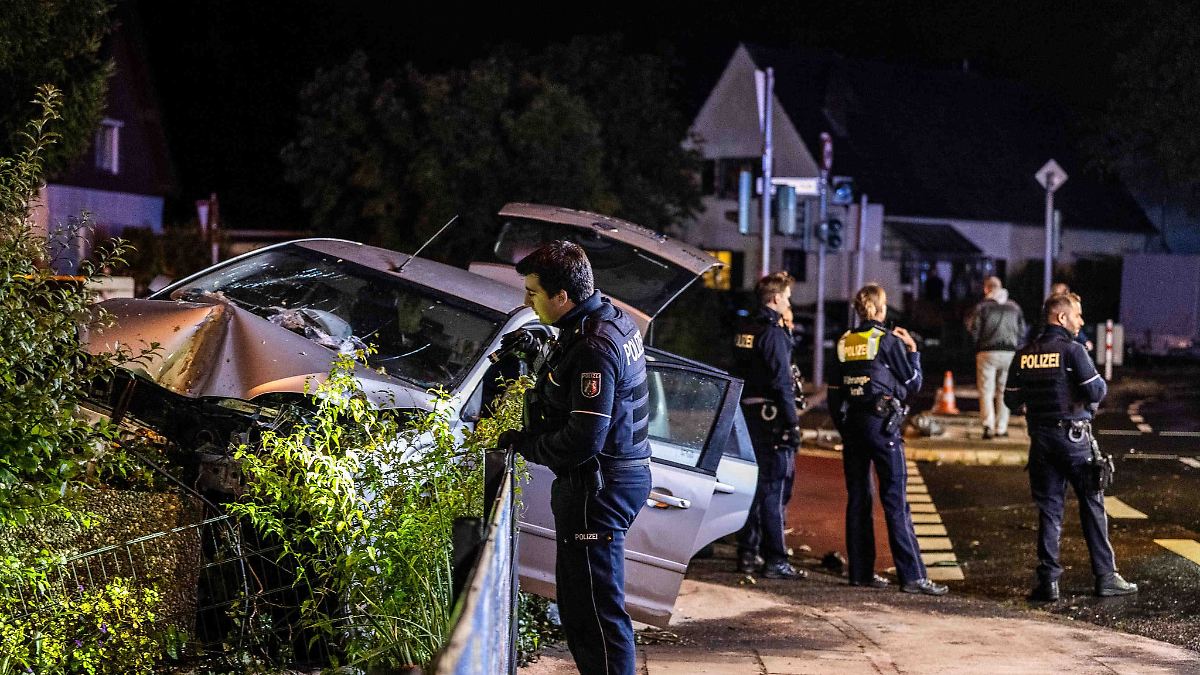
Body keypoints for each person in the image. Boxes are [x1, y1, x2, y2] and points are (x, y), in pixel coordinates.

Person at [497, 240, 652, 675]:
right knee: (580, 603)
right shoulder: (612, 320)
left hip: (596, 487)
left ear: (562, 296)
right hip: (610, 479)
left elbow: (583, 438)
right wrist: (542, 348)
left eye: (533, 292)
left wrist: (524, 444)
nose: (526, 300)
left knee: (596, 614)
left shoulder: (593, 347)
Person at [1004, 293, 1138, 601]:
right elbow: (1097, 390)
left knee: (1050, 511)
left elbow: (1011, 399)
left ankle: (1048, 582)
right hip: (1074, 440)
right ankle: (1106, 576)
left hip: (1040, 441)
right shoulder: (1073, 350)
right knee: (1092, 504)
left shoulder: (1024, 354)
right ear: (1061, 318)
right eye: (1076, 315)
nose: (1079, 321)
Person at [828, 284, 949, 595]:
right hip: (882, 427)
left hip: (853, 425)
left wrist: (845, 427)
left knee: (859, 500)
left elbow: (833, 393)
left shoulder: (844, 342)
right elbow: (913, 383)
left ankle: (861, 572)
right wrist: (913, 352)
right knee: (896, 502)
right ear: (881, 309)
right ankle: (913, 577)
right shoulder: (886, 341)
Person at [731, 272, 806, 579]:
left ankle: (747, 552)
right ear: (776, 299)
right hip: (770, 418)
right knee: (773, 489)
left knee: (753, 486)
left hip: (746, 415)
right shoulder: (773, 333)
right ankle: (775, 558)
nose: (788, 302)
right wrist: (792, 423)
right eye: (786, 297)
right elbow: (782, 383)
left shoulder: (745, 328)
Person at [965, 276, 1026, 439]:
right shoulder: (1014, 307)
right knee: (1003, 390)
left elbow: (973, 328)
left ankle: (988, 425)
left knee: (986, 390)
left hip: (987, 352)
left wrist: (977, 344)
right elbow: (1022, 331)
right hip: (1010, 353)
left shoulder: (982, 307)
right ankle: (1001, 427)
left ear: (987, 289)